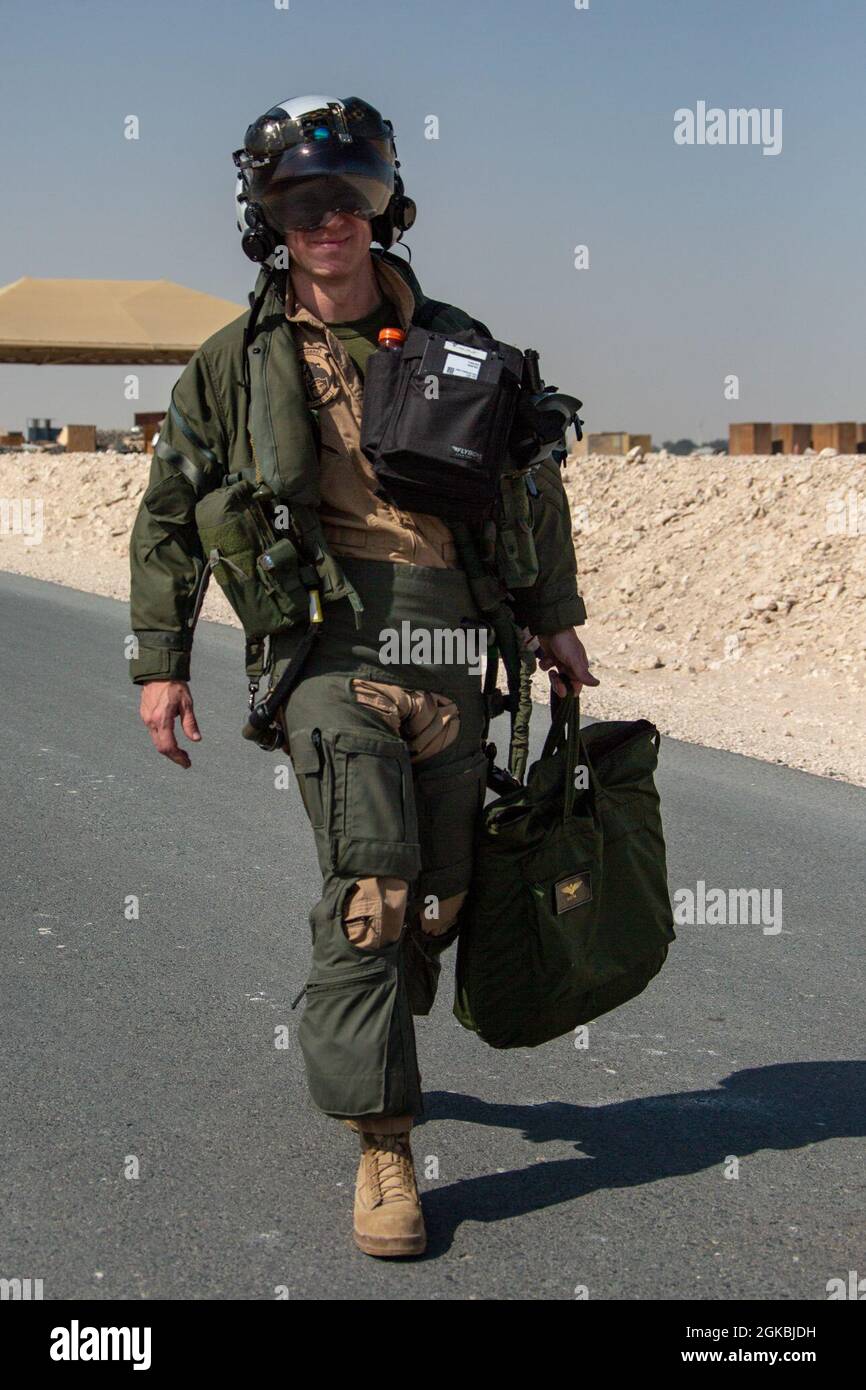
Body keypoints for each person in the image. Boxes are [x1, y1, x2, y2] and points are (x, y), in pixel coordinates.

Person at [129, 94, 597, 1258]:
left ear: (383, 208)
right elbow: (171, 518)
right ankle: (383, 1142)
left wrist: (555, 620)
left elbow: (529, 486)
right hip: (326, 651)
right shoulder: (232, 368)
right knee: (372, 889)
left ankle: (370, 998)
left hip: (450, 644)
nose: (326, 220)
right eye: (300, 200)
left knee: (436, 900)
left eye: (349, 197)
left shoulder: (460, 341)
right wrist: (161, 662)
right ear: (267, 216)